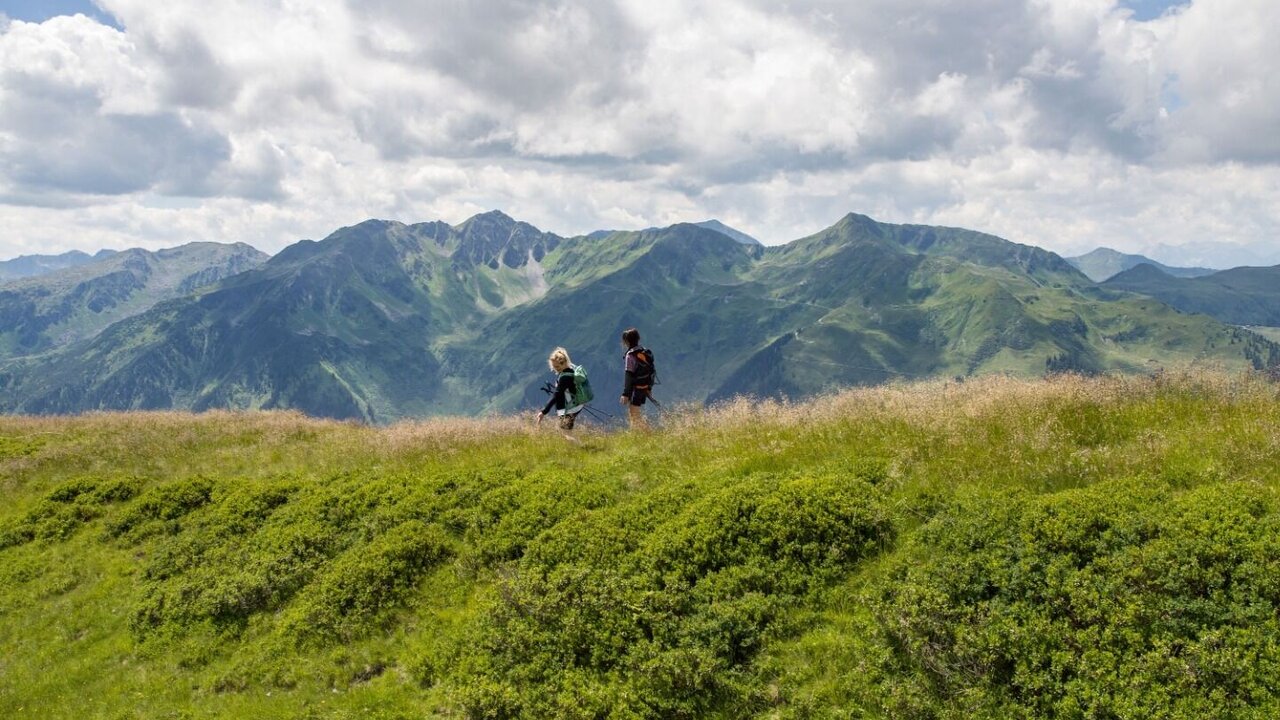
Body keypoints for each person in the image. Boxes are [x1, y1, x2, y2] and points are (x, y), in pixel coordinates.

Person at [537, 347, 582, 441]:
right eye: (553, 366)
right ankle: (578, 449)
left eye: (557, 367)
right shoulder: (571, 367)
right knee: (566, 430)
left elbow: (557, 395)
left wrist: (543, 412)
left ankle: (581, 449)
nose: (555, 369)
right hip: (577, 403)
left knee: (565, 432)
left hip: (570, 407)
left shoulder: (565, 377)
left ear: (564, 363)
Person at [619, 328, 650, 429]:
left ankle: (648, 434)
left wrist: (625, 394)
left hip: (635, 389)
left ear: (626, 341)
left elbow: (629, 375)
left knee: (634, 415)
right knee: (634, 413)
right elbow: (651, 372)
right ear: (638, 338)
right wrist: (649, 388)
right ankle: (636, 434)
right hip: (644, 387)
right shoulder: (644, 352)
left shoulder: (630, 355)